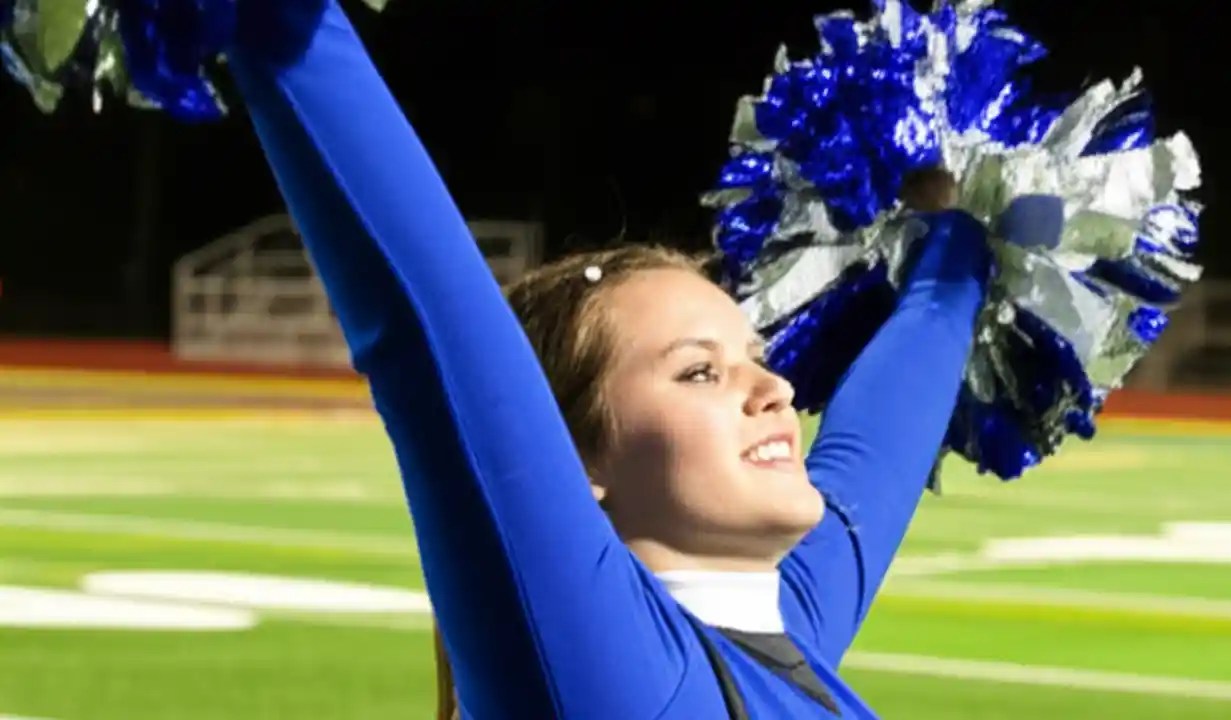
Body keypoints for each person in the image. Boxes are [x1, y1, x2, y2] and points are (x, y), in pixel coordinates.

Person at [227, 1, 991, 717]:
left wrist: (967, 233)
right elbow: (430, 327)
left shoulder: (784, 621)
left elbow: (889, 425)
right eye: (700, 371)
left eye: (753, 357)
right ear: (575, 461)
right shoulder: (610, 675)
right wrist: (276, 25)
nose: (774, 389)